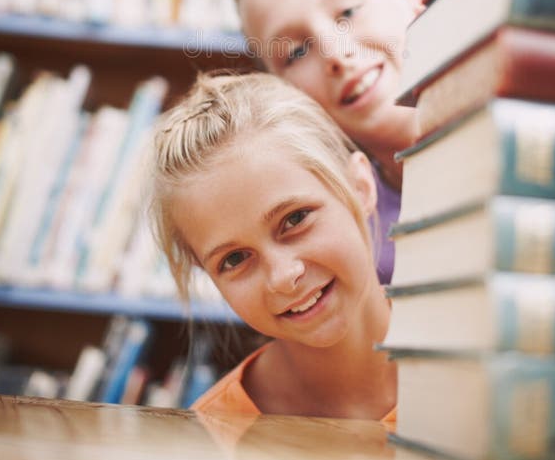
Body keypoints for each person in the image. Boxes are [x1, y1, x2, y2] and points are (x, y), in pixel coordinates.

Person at [150, 71, 397, 422]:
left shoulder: (486, 362)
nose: (283, 277)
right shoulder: (213, 437)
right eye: (234, 259)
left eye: (295, 220)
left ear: (360, 186)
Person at [234, 0, 424, 284]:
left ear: (415, 3)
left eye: (347, 13)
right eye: (296, 53)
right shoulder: (341, 239)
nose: (336, 54)